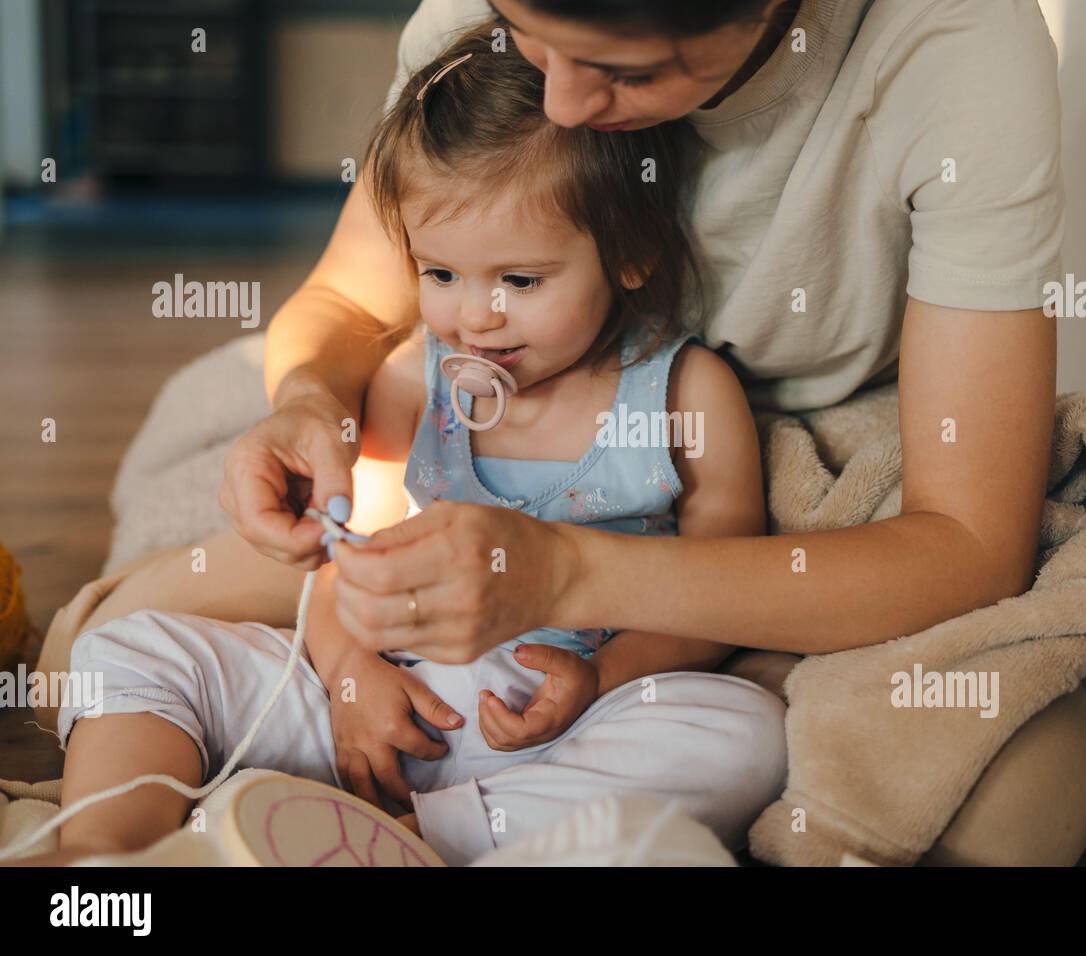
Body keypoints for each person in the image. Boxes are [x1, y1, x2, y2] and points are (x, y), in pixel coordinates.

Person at [40, 0, 1086, 865]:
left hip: (709, 596)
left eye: (624, 72)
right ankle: (98, 860)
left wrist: (574, 596)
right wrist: (311, 404)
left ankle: (417, 841)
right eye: (524, 28)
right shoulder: (428, 366)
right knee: (109, 643)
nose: (555, 96)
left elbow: (959, 542)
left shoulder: (953, 57)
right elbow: (352, 330)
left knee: (979, 793)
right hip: (408, 682)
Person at [33, 25, 787, 867]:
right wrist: (353, 677)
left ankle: (415, 843)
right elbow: (347, 561)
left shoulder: (685, 393)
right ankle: (102, 852)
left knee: (742, 732)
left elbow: (719, 589)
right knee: (130, 646)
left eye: (521, 281)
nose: (475, 315)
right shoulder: (408, 380)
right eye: (440, 275)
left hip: (558, 723)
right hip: (392, 703)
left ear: (632, 254)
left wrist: (605, 680)